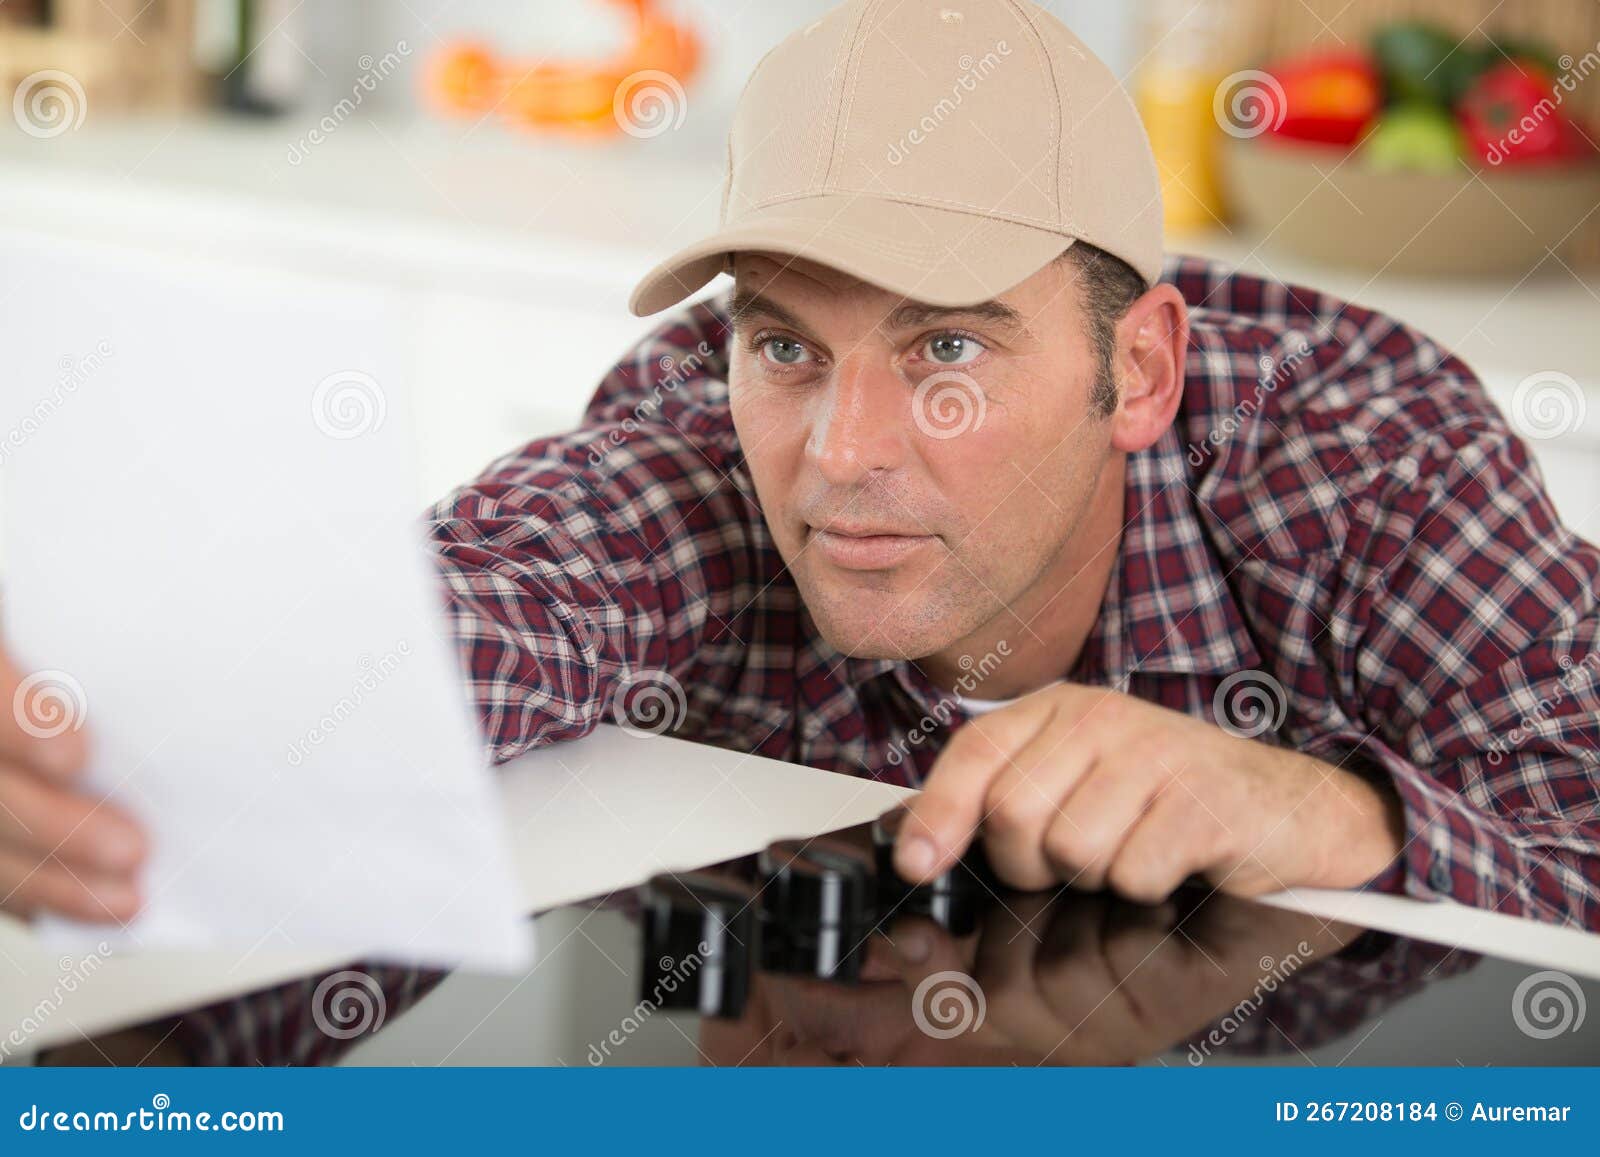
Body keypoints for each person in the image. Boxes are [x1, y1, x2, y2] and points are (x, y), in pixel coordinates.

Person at [3, 0, 1597, 954]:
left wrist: (1331, 815)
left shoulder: (1375, 468)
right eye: (785, 342)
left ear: (1141, 370)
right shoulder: (700, 431)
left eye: (947, 348)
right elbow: (480, 603)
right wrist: (106, 708)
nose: (839, 452)